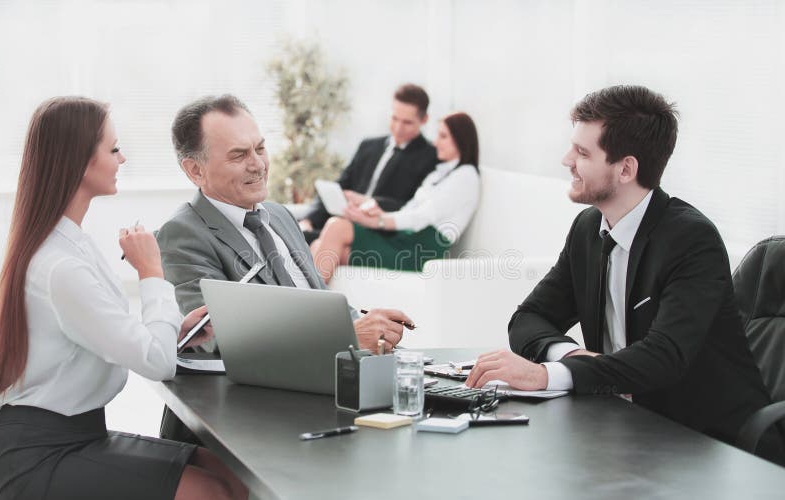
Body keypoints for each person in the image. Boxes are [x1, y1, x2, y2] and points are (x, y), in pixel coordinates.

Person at [465, 85, 783, 460]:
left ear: (626, 168)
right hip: (622, 429)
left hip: (708, 447)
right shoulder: (588, 229)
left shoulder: (692, 240)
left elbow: (664, 356)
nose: (567, 160)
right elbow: (528, 318)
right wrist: (572, 355)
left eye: (583, 153)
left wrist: (548, 375)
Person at [0, 97, 247, 500]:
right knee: (211, 492)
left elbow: (115, 337)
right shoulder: (60, 266)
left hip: (78, 435)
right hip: (39, 456)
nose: (122, 158)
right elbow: (156, 363)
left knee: (233, 475)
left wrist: (175, 332)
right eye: (113, 149)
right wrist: (151, 271)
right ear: (80, 162)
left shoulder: (71, 245)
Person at [156, 94, 414, 442]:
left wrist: (368, 326)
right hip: (248, 426)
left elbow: (316, 300)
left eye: (260, 148)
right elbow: (220, 342)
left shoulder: (278, 215)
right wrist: (348, 340)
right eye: (239, 155)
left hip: (321, 401)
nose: (258, 164)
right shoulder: (182, 233)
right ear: (195, 170)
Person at [310, 112, 480, 282]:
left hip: (418, 250)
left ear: (461, 140)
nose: (436, 143)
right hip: (403, 238)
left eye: (443, 136)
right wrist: (380, 214)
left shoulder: (466, 177)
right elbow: (410, 209)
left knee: (337, 227)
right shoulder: (440, 173)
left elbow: (421, 217)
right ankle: (313, 295)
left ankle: (312, 296)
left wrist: (376, 221)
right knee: (322, 245)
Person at [299, 83, 438, 243]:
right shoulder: (369, 146)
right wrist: (309, 220)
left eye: (407, 122)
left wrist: (366, 201)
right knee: (291, 233)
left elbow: (415, 207)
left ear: (424, 120)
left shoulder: (430, 157)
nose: (398, 128)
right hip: (340, 223)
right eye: (394, 118)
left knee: (300, 241)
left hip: (379, 233)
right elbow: (338, 187)